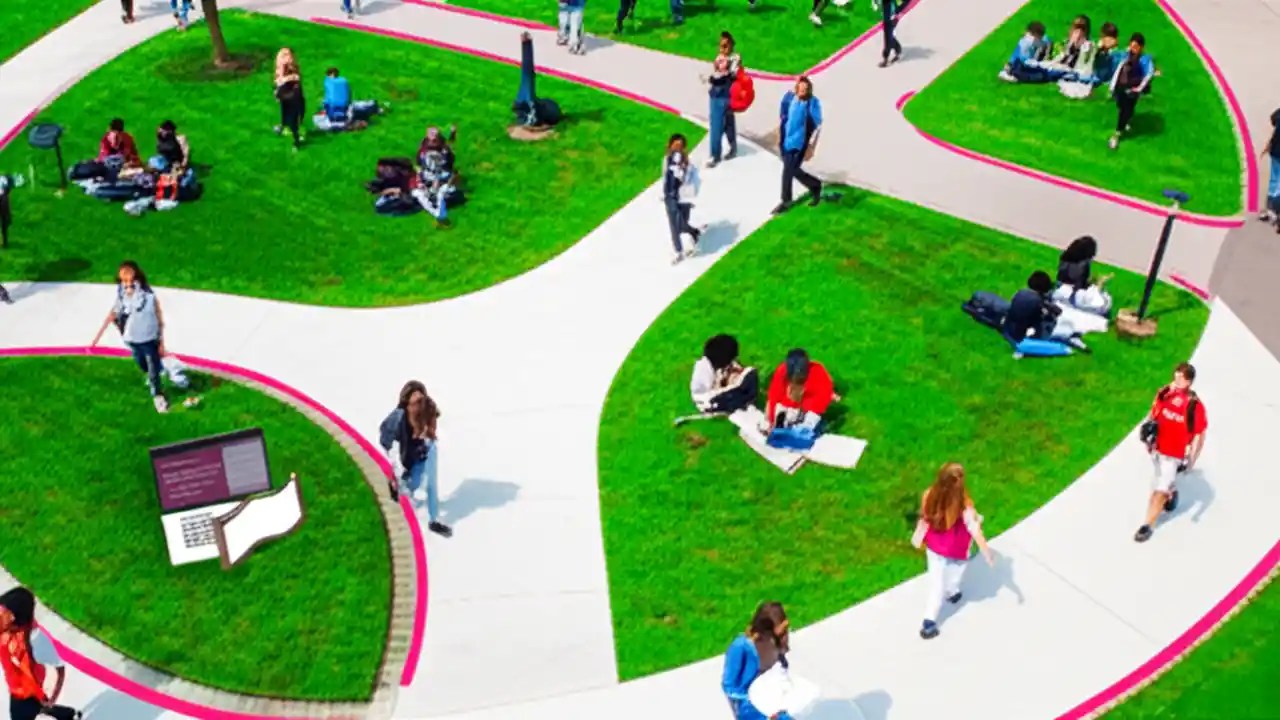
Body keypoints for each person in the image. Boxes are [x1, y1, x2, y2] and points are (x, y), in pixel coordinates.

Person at [911, 463, 995, 639]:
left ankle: (929, 621)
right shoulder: (964, 504)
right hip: (956, 548)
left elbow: (924, 518)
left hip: (934, 547)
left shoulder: (929, 495)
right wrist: (987, 552)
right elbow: (974, 528)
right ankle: (952, 592)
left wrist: (917, 537)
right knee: (957, 571)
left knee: (936, 584)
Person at [1135, 363, 1208, 543]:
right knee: (1161, 480)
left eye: (1180, 379)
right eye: (1175, 377)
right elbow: (1154, 412)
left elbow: (1200, 434)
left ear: (1189, 382)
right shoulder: (1165, 393)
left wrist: (1192, 460)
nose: (1175, 381)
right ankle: (1171, 491)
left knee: (1157, 491)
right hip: (1157, 448)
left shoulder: (1194, 405)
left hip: (1174, 454)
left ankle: (1147, 525)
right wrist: (1147, 431)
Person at [90, 261, 169, 413]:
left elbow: (158, 316)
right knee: (142, 364)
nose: (127, 285)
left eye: (130, 282)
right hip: (132, 338)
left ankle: (158, 395)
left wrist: (161, 341)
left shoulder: (148, 296)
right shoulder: (121, 293)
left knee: (152, 368)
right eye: (123, 281)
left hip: (148, 337)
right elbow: (116, 309)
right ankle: (158, 370)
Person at [379, 381, 453, 537]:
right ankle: (400, 494)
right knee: (410, 486)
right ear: (406, 400)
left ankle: (434, 519)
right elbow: (387, 442)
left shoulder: (429, 408)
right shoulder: (398, 417)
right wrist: (396, 471)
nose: (418, 401)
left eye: (420, 396)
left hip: (424, 452)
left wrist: (427, 439)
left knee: (431, 482)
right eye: (414, 396)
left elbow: (432, 431)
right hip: (406, 457)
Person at [0, 588, 82, 720]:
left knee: (29, 708)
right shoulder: (6, 626)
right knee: (37, 706)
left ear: (14, 617)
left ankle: (64, 713)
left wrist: (53, 698)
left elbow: (59, 667)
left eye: (4, 611)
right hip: (17, 684)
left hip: (25, 693)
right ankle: (68, 714)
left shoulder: (36, 639)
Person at [721, 602, 793, 720]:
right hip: (750, 707)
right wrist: (755, 699)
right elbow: (729, 686)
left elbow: (782, 672)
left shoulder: (774, 644)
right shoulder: (741, 647)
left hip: (774, 702)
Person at [774, 77, 823, 215]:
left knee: (787, 171)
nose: (803, 91)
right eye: (801, 88)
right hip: (786, 142)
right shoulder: (788, 99)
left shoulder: (812, 104)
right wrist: (779, 135)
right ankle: (815, 185)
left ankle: (786, 200)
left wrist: (811, 146)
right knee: (793, 170)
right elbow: (783, 119)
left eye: (806, 89)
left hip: (799, 144)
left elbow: (817, 125)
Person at [764, 348, 835, 430]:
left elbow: (821, 400)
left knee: (808, 423)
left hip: (808, 409)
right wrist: (771, 422)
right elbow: (773, 398)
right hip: (787, 405)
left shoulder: (818, 372)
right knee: (779, 411)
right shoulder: (782, 371)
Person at [690, 334, 759, 414]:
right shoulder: (706, 370)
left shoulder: (708, 363)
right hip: (713, 402)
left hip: (711, 399)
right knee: (750, 375)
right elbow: (708, 395)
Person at [1108, 33, 1155, 150]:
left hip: (1132, 89)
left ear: (1141, 47)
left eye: (1136, 47)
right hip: (1120, 87)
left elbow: (1148, 74)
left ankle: (1116, 134)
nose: (1133, 49)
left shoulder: (1144, 60)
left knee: (1125, 109)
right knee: (1122, 107)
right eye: (1132, 46)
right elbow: (1116, 62)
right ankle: (1126, 121)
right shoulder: (1125, 55)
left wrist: (1139, 89)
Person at [662, 133, 702, 265]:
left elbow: (691, 180)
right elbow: (665, 177)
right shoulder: (666, 160)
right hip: (670, 196)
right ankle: (678, 251)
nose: (677, 148)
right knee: (674, 226)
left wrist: (682, 170)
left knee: (681, 224)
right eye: (675, 145)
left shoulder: (687, 163)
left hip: (683, 197)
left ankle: (693, 232)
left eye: (680, 145)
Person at [705, 32, 740, 168]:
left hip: (726, 94)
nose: (722, 49)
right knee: (723, 124)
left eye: (725, 46)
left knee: (721, 124)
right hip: (717, 94)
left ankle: (720, 153)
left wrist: (715, 79)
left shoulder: (734, 59)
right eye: (720, 46)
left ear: (731, 46)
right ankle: (725, 151)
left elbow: (730, 76)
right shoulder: (720, 58)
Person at [1053, 236, 1113, 314]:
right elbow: (1080, 284)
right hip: (1074, 292)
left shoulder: (1064, 257)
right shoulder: (1084, 263)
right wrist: (1098, 283)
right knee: (1104, 297)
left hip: (1060, 285)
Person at [274, 48, 306, 151]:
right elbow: (279, 83)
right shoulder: (280, 70)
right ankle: (287, 130)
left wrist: (288, 78)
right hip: (286, 99)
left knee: (295, 121)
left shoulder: (294, 68)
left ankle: (296, 140)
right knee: (287, 118)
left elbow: (297, 78)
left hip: (295, 99)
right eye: (284, 56)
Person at [1259, 108, 1280, 226]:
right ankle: (1273, 209)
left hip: (1276, 153)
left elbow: (1274, 119)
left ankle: (1271, 208)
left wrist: (1269, 145)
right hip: (1277, 153)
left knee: (1275, 180)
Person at [878, 0, 902, 68]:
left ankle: (886, 58)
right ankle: (898, 49)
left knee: (888, 38)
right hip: (887, 18)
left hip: (891, 18)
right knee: (889, 37)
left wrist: (895, 15)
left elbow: (895, 5)